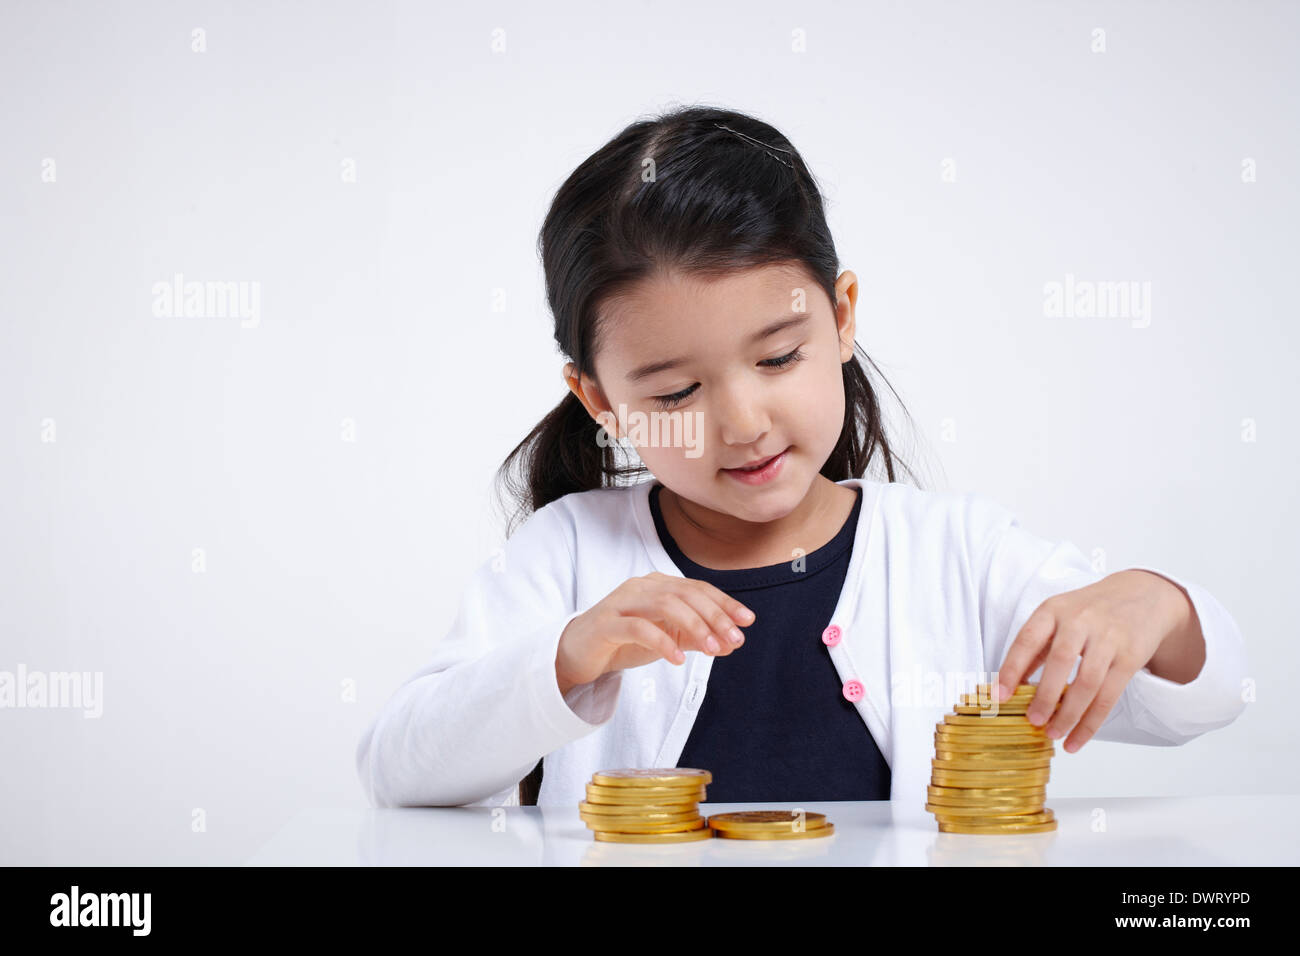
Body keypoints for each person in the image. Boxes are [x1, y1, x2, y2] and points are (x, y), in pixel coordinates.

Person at [354, 105, 1249, 815]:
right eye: (672, 395)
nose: (742, 423)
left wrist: (1155, 605)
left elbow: (1205, 700)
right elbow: (401, 766)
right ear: (599, 401)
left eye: (779, 358)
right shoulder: (567, 557)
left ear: (843, 316)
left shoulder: (958, 555)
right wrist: (568, 655)